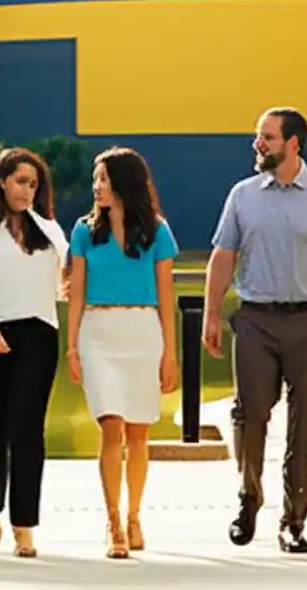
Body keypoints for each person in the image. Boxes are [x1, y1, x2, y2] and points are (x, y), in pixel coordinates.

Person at [202, 107, 307, 554]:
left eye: (268, 137)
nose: (258, 144)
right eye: (258, 136)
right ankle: (248, 498)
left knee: (305, 423)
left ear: (293, 143)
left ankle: (294, 522)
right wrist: (211, 314)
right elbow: (223, 257)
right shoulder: (242, 196)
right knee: (249, 413)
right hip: (255, 320)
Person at [66, 146, 179, 560]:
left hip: (143, 333)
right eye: (95, 179)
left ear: (124, 183)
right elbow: (76, 293)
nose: (97, 187)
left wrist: (170, 354)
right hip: (98, 333)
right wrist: (72, 347)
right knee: (111, 426)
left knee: (139, 432)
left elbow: (166, 297)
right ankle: (112, 521)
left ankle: (134, 517)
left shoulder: (157, 232)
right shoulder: (83, 232)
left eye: (105, 180)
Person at [0, 148, 69, 558]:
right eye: (20, 181)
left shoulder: (48, 230)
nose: (26, 190)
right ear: (3, 181)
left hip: (38, 334)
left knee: (28, 431)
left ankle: (24, 525)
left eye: (33, 184)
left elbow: (66, 279)